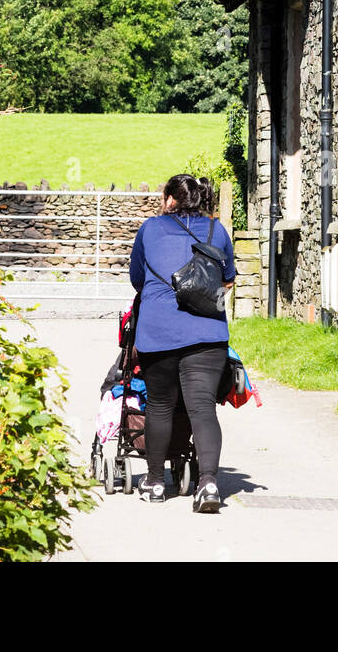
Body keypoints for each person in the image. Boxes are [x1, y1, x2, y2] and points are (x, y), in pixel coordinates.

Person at [128, 173, 235, 513]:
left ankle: (156, 482)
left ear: (171, 199)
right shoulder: (216, 230)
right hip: (207, 332)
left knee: (159, 405)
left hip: (158, 330)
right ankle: (208, 485)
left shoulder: (150, 229)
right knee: (202, 407)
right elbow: (228, 278)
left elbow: (137, 279)